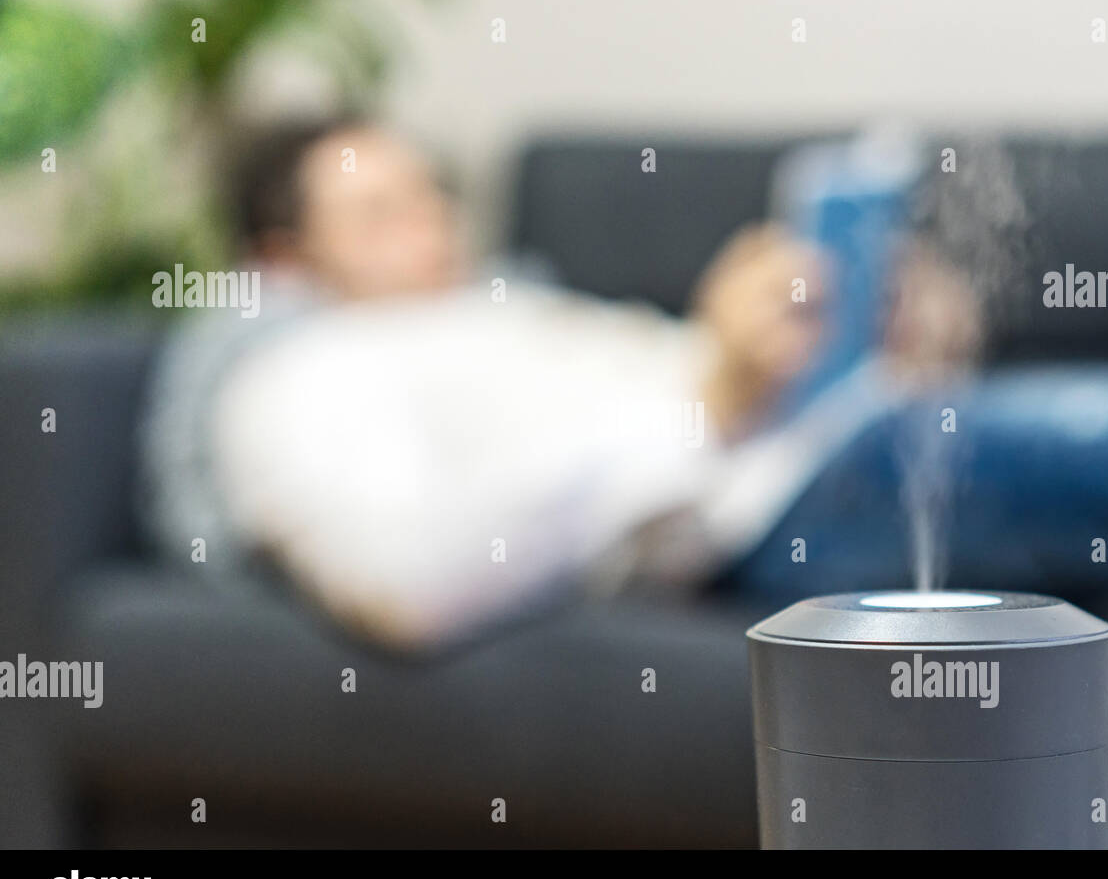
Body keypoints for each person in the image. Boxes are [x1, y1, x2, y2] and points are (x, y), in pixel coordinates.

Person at [143, 119, 949, 647]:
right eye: (381, 213)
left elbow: (692, 366)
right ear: (284, 261)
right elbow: (407, 583)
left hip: (839, 431)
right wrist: (706, 408)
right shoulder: (301, 375)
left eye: (432, 196)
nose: (430, 228)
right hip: (765, 510)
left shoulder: (513, 310)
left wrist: (857, 339)